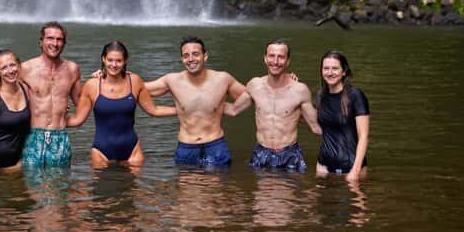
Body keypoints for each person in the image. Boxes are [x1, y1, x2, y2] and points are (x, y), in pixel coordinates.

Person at [0, 22, 82, 167]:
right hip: (32, 138)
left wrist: (102, 77)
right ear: (41, 41)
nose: (55, 43)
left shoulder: (72, 69)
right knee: (30, 180)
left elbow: (83, 103)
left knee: (60, 180)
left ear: (64, 43)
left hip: (60, 138)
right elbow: (8, 90)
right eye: (50, 38)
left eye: (59, 39)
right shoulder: (25, 69)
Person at [66, 40, 177, 167]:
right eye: (110, 60)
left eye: (118, 61)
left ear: (125, 61)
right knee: (101, 181)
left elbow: (154, 110)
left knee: (137, 181)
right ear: (103, 59)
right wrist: (52, 121)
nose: (114, 65)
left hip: (132, 151)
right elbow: (78, 120)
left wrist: (181, 110)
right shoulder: (92, 85)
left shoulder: (134, 81)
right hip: (101, 152)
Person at [140, 36, 246, 167]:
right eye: (186, 55)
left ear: (205, 56)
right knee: (187, 181)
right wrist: (119, 76)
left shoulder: (223, 79)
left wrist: (233, 109)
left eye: (195, 54)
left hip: (215, 146)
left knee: (216, 181)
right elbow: (139, 88)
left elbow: (250, 95)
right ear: (182, 59)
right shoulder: (172, 81)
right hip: (186, 147)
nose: (190, 59)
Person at [224, 39, 322, 172]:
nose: (275, 61)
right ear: (265, 58)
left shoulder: (300, 90)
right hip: (261, 152)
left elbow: (316, 127)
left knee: (290, 186)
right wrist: (204, 102)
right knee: (261, 186)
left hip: (289, 154)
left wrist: (346, 139)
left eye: (281, 57)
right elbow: (233, 110)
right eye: (271, 56)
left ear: (288, 61)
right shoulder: (254, 85)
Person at [314, 50, 370, 182]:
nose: (330, 72)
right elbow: (316, 124)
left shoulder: (355, 96)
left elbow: (364, 136)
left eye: (335, 68)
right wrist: (292, 83)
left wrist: (355, 171)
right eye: (326, 68)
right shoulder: (321, 96)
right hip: (323, 168)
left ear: (344, 71)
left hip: (351, 170)